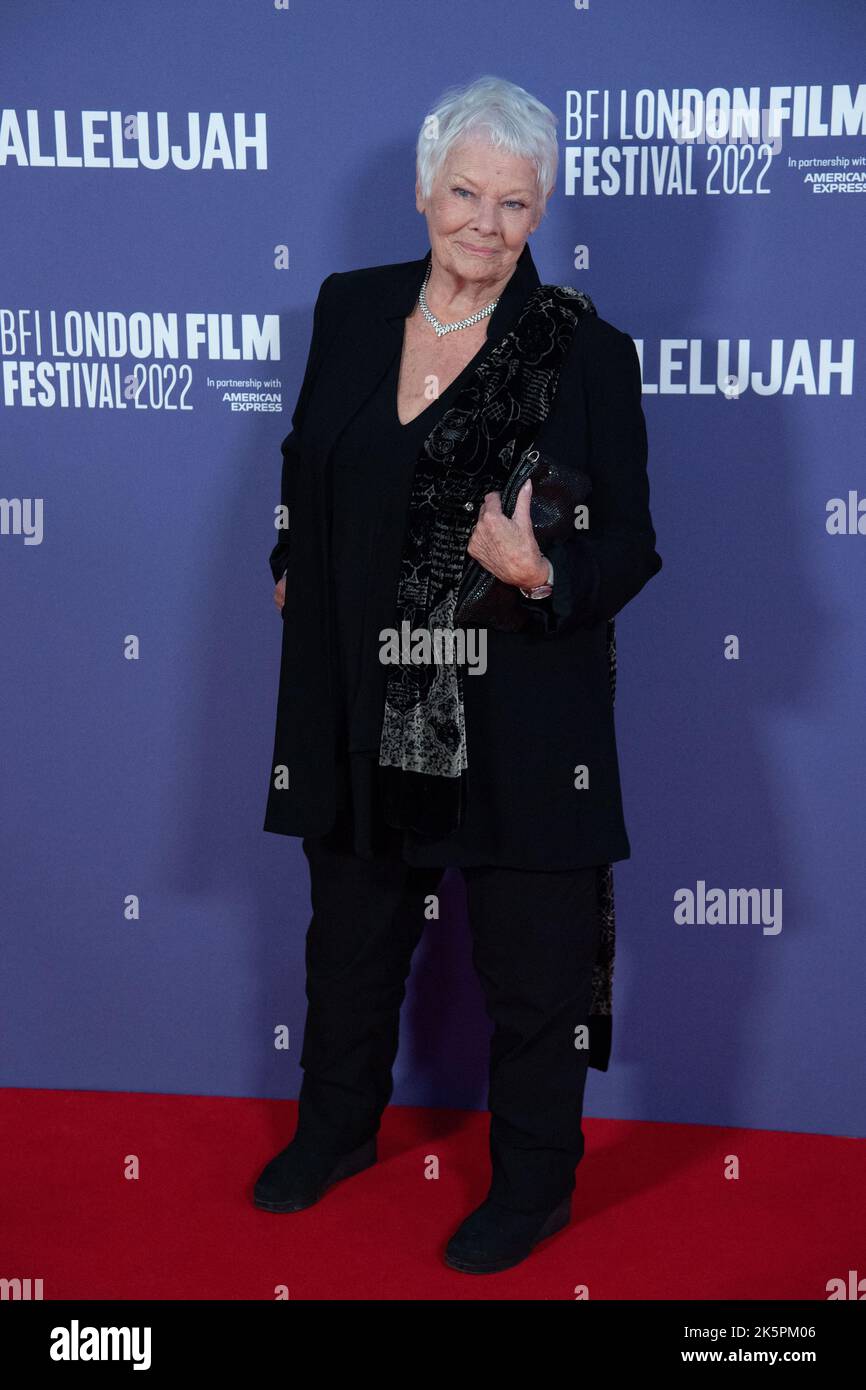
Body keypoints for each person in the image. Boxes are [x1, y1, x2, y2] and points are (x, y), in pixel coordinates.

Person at [254, 74, 662, 1275]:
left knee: (533, 969)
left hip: (516, 707)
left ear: (543, 213)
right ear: (425, 187)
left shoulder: (583, 349)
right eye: (465, 192)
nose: (483, 223)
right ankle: (334, 1131)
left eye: (515, 203)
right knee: (351, 938)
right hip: (364, 689)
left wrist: (541, 573)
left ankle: (534, 1187)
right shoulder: (350, 308)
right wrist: (293, 553)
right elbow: (306, 457)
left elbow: (631, 541)